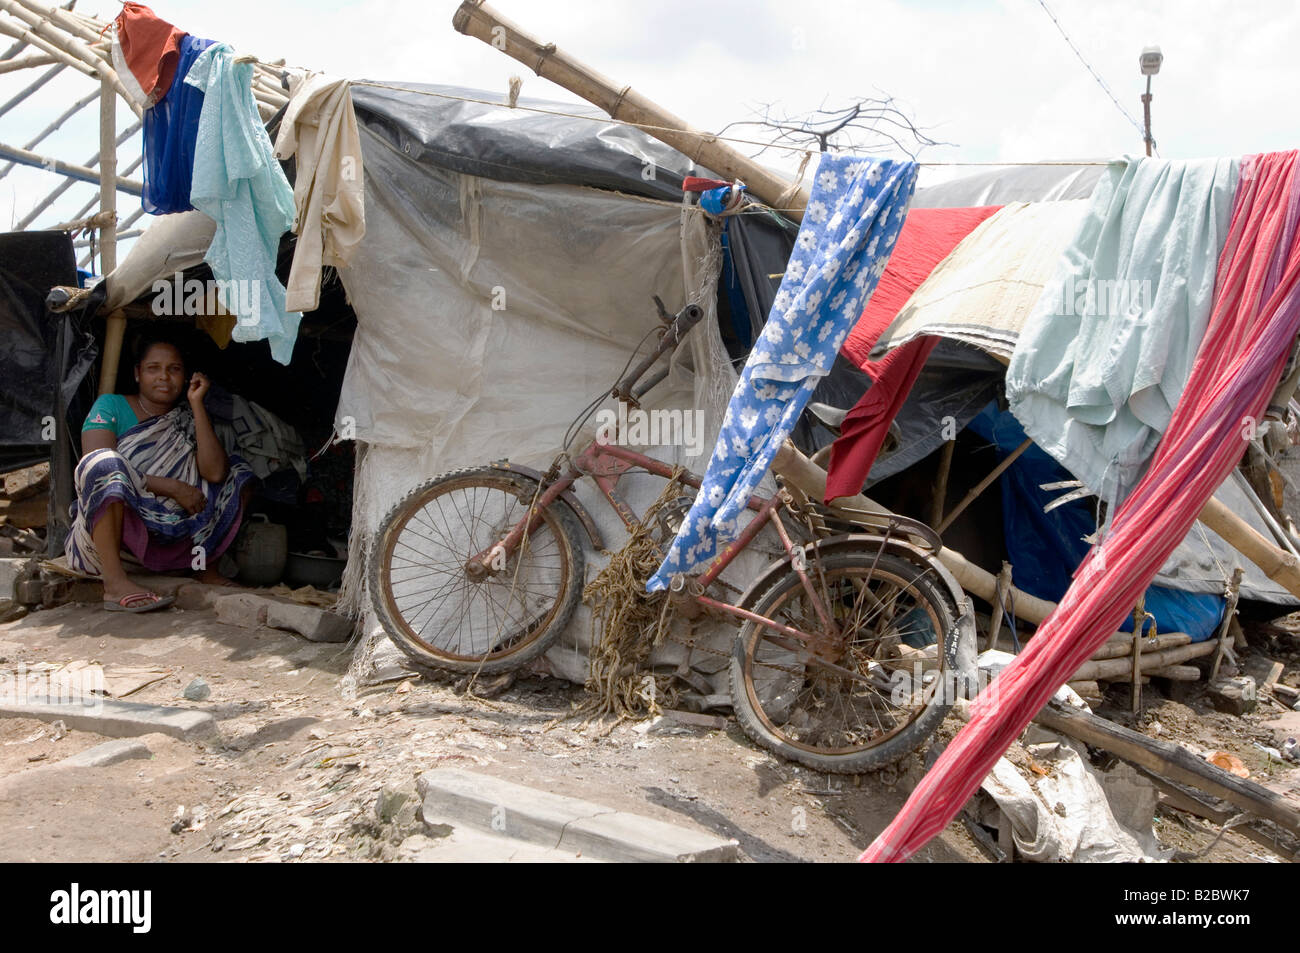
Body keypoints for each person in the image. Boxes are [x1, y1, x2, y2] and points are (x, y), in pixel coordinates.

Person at [67, 333, 256, 612]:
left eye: (174, 369)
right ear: (137, 373)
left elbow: (215, 473)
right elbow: (95, 465)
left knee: (238, 472)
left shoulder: (186, 418)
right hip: (124, 526)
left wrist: (196, 404)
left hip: (179, 527)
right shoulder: (111, 406)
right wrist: (174, 488)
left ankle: (202, 566)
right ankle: (115, 582)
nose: (164, 377)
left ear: (186, 377)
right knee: (105, 464)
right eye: (153, 368)